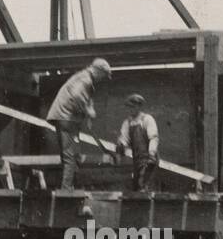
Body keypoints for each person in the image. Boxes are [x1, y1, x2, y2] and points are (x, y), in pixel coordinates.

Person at [45, 58, 112, 190]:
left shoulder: (84, 78)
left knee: (71, 155)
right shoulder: (85, 79)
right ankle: (67, 189)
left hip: (65, 117)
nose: (102, 79)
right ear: (98, 71)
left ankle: (69, 187)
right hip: (67, 119)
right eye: (103, 76)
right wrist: (88, 111)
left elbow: (86, 97)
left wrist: (88, 109)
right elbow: (76, 95)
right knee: (71, 156)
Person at [116, 93, 160, 192]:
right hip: (137, 160)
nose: (131, 109)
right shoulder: (128, 122)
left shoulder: (147, 119)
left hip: (149, 160)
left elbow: (154, 137)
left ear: (139, 106)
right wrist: (121, 146)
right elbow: (124, 137)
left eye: (133, 106)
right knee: (136, 186)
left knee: (145, 186)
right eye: (129, 107)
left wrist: (151, 153)